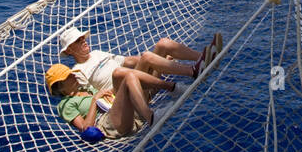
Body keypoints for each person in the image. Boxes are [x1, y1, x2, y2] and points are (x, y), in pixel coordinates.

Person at [59, 26, 222, 97]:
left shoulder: (97, 53)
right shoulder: (77, 72)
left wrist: (159, 60)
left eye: (83, 38)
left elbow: (128, 60)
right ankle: (194, 71)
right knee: (146, 56)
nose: (84, 41)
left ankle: (204, 57)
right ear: (69, 50)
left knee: (162, 44)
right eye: (78, 41)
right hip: (129, 95)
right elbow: (89, 97)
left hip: (144, 80)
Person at [45, 63, 149, 140]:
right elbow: (86, 128)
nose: (74, 76)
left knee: (146, 61)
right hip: (110, 123)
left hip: (122, 110)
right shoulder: (65, 105)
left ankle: (164, 86)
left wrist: (110, 91)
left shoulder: (86, 89)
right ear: (60, 86)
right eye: (69, 76)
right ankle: (150, 114)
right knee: (128, 79)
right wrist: (95, 100)